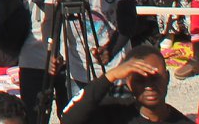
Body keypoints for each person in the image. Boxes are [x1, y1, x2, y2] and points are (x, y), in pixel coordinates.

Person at [58, 47, 190, 124]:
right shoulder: (113, 113)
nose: (149, 85)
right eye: (140, 79)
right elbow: (69, 119)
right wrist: (111, 76)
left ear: (167, 77)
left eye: (155, 77)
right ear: (128, 82)